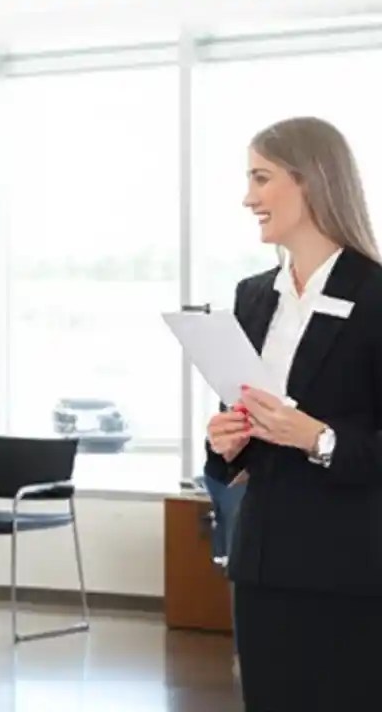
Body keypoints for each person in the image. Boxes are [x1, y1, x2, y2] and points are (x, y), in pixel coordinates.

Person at [203, 116, 382, 711]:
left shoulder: (377, 296)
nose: (248, 197)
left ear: (311, 181)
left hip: (354, 567)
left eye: (261, 177)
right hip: (262, 560)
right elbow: (237, 425)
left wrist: (319, 439)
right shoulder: (252, 295)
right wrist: (223, 441)